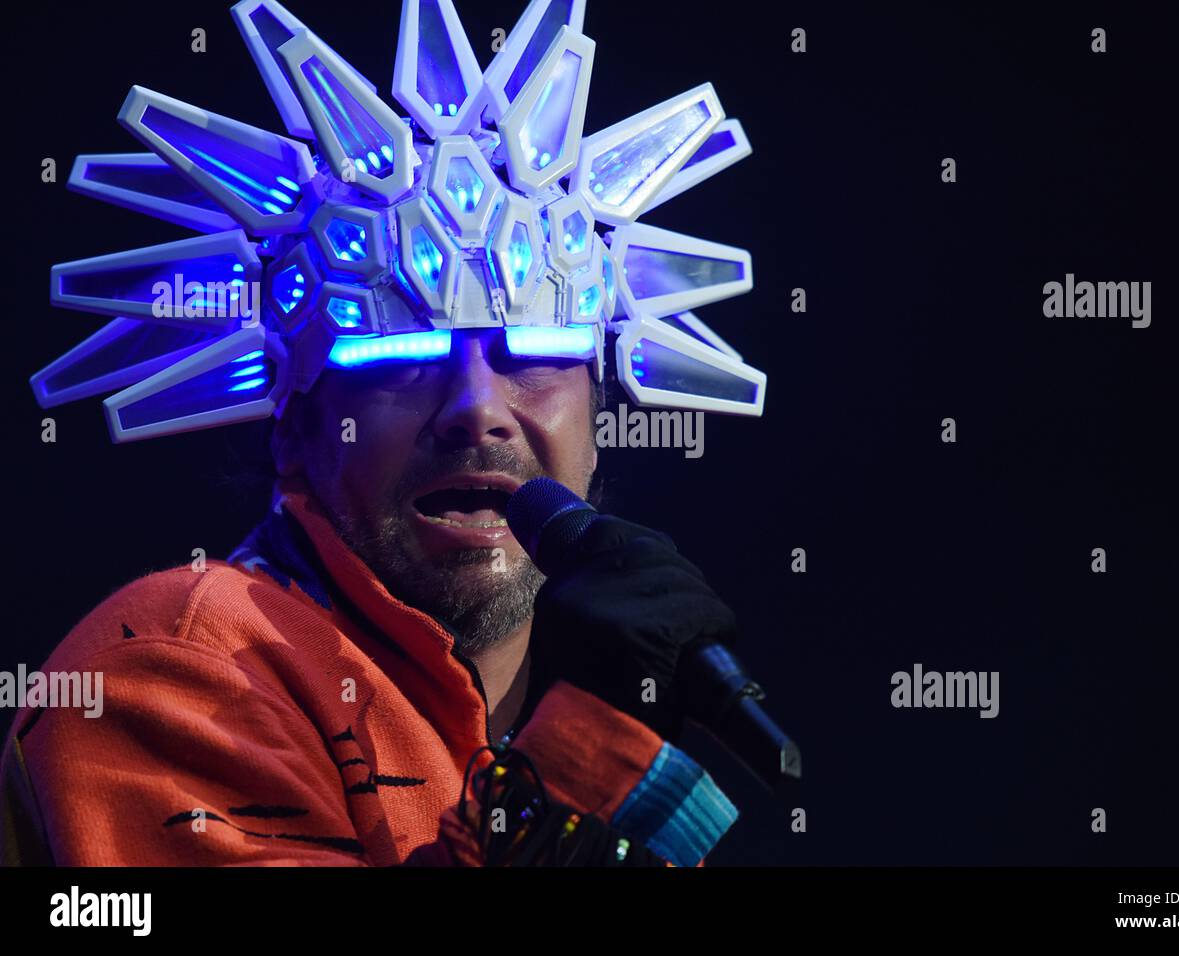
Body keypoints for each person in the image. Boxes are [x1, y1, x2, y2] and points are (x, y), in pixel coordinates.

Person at [1, 0, 767, 867]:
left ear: (596, 418)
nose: (477, 409)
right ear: (294, 427)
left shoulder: (550, 721)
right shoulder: (173, 669)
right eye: (399, 356)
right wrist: (577, 763)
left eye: (539, 352)